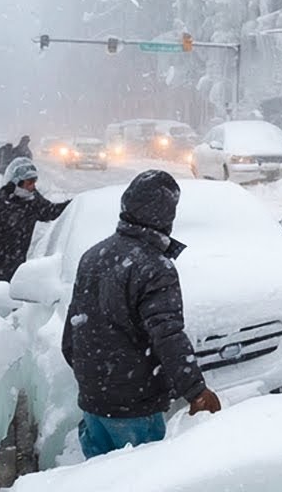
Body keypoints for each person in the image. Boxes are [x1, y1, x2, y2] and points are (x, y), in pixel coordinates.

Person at [62, 170, 220, 459]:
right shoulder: (155, 267)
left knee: (99, 479)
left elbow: (72, 333)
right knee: (139, 478)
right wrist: (196, 391)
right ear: (165, 215)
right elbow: (168, 335)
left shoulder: (93, 256)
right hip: (134, 406)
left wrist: (93, 379)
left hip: (93, 402)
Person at [0, 157, 71, 295]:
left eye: (34, 182)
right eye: (29, 182)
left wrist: (75, 203)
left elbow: (50, 212)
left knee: (11, 307)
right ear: (16, 182)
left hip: (16, 268)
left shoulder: (32, 201)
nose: (33, 186)